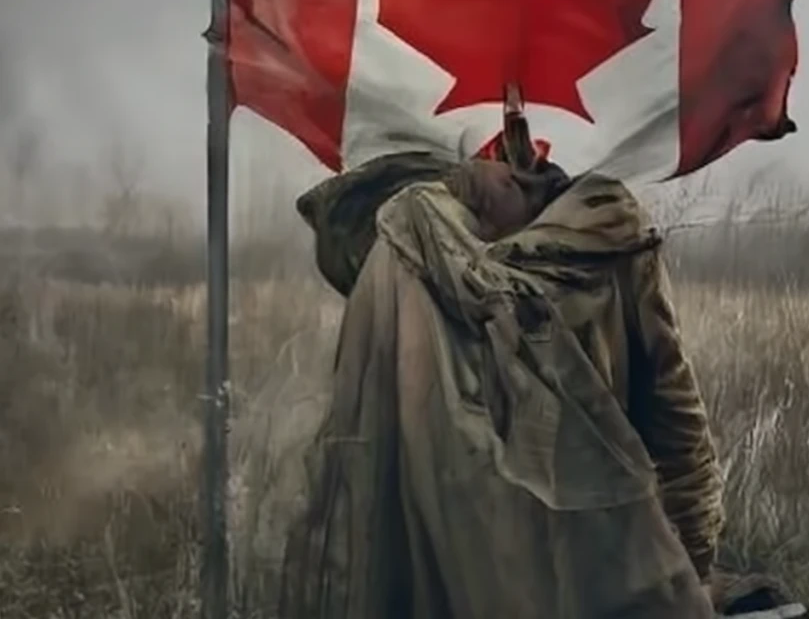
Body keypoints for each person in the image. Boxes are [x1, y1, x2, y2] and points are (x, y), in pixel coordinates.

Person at [281, 91, 724, 618]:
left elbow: (676, 425)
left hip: (554, 571)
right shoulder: (422, 263)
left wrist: (686, 569)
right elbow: (680, 431)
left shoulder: (603, 252)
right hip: (517, 571)